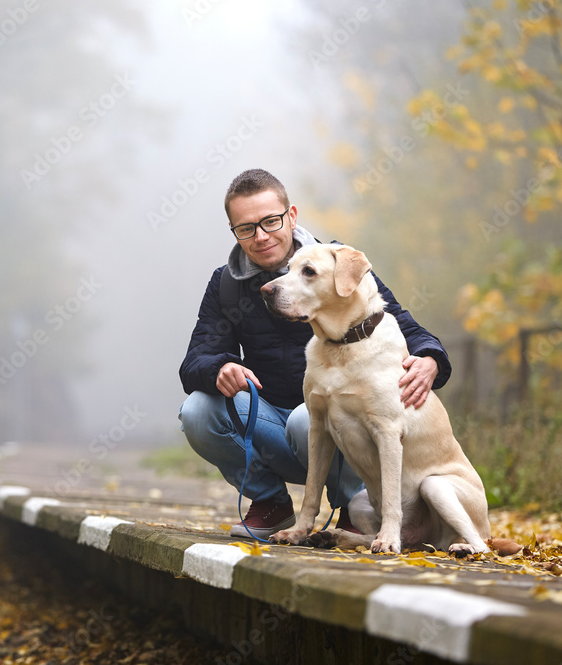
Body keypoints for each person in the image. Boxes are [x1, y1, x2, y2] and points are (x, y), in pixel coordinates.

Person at [178, 168, 451, 539]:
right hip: (272, 424)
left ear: (291, 216)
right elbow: (195, 360)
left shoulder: (336, 262)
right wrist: (220, 367)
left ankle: (356, 507)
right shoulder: (225, 285)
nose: (260, 236)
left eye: (270, 221)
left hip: (329, 424)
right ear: (234, 232)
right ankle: (270, 503)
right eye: (246, 228)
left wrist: (431, 358)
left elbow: (398, 322)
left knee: (308, 418)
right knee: (196, 410)